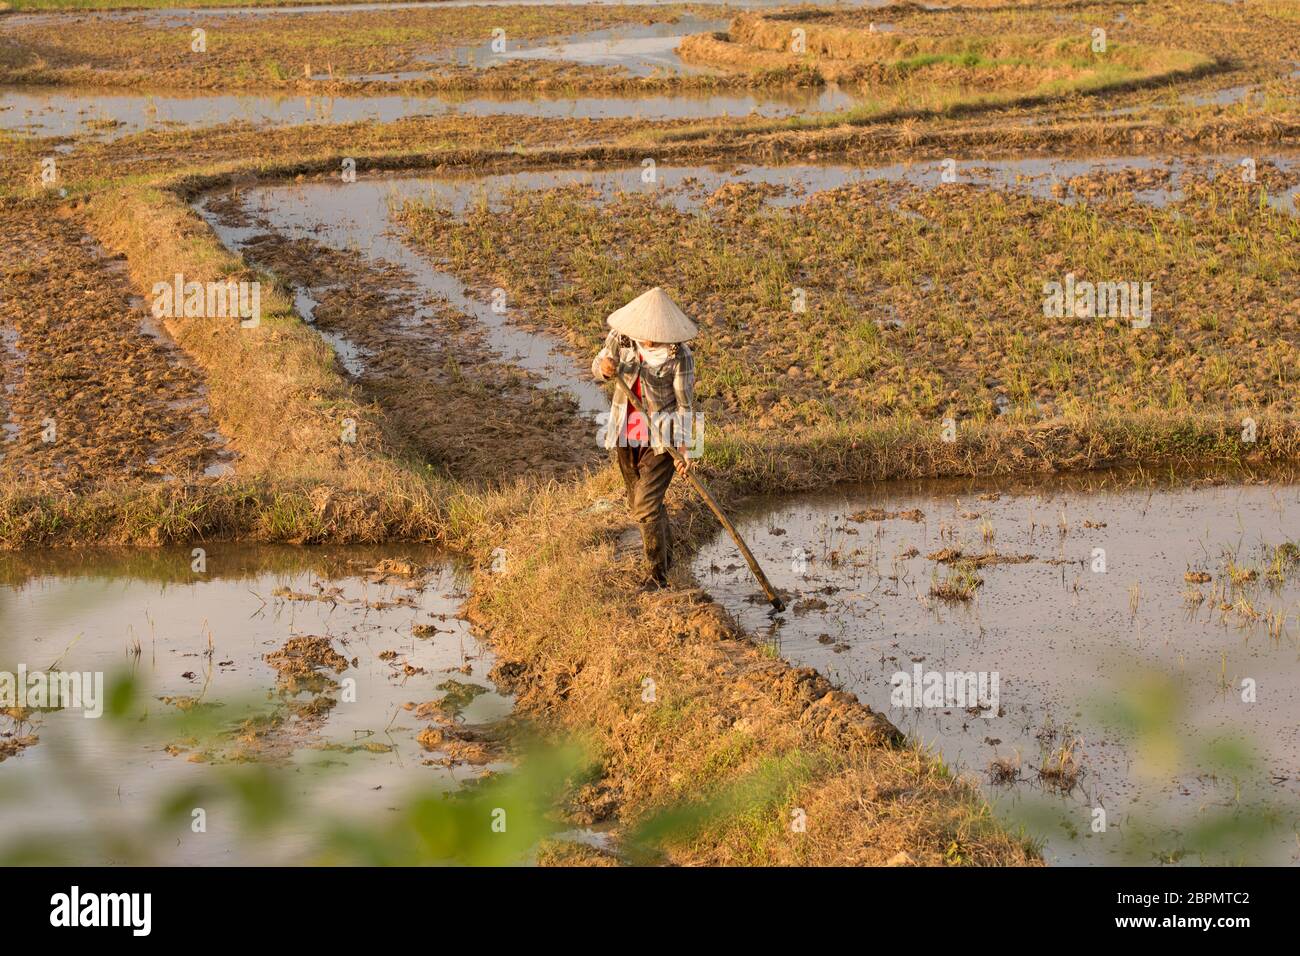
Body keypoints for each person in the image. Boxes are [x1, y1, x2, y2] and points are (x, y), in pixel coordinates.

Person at [591, 287, 698, 588]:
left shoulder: (680, 356)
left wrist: (687, 451)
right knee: (639, 501)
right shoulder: (622, 337)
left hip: (661, 437)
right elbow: (598, 365)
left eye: (655, 333)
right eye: (645, 332)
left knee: (646, 505)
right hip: (626, 429)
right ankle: (667, 560)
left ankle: (657, 575)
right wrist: (605, 367)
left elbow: (686, 406)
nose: (648, 339)